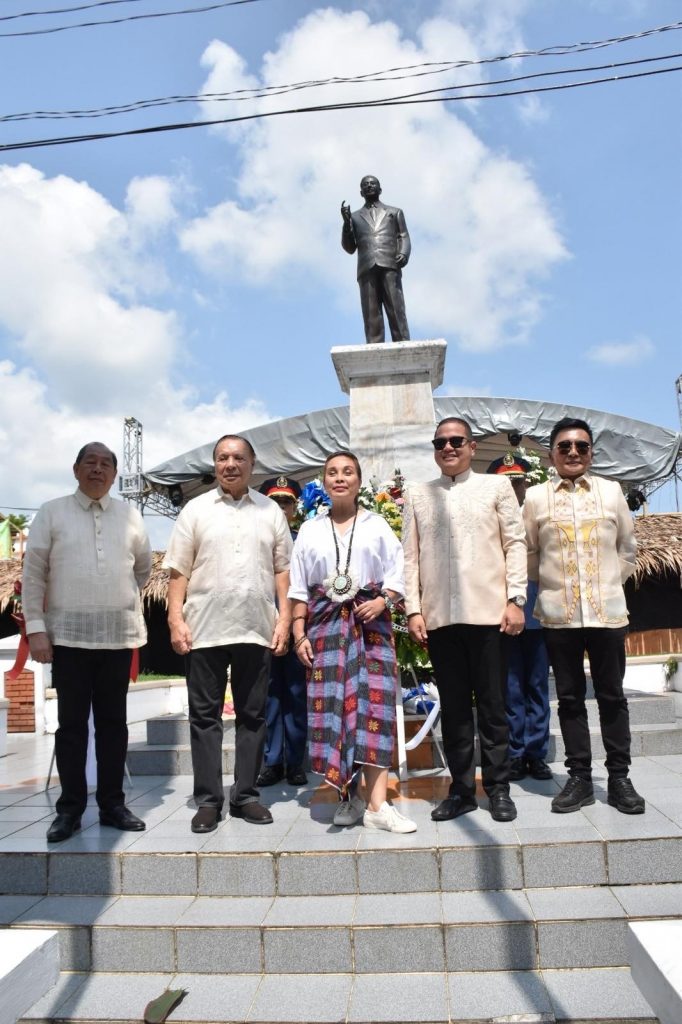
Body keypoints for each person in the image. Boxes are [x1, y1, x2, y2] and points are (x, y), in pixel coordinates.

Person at [23, 442, 151, 842]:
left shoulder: (130, 515)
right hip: (68, 639)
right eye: (90, 463)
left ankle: (113, 804)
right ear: (76, 469)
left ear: (115, 474)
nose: (98, 470)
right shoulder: (51, 512)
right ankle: (70, 809)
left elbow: (143, 570)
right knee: (71, 727)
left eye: (106, 464)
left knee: (114, 725)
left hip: (116, 637)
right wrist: (36, 628)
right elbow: (33, 575)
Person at [164, 435, 292, 832]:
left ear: (253, 464)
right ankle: (208, 800)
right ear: (215, 465)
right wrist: (174, 619)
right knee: (205, 717)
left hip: (256, 627)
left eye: (239, 458)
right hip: (204, 628)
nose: (230, 464)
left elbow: (283, 570)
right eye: (223, 458)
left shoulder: (271, 511)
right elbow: (177, 571)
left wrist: (284, 618)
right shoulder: (195, 510)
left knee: (253, 717)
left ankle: (246, 796)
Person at [402, 417, 527, 823]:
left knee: (492, 707)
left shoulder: (495, 487)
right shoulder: (418, 493)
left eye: (456, 441)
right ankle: (460, 790)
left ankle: (499, 788)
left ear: (472, 446)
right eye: (440, 442)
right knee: (454, 709)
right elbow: (410, 557)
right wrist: (414, 609)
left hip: (489, 614)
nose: (448, 448)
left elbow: (515, 543)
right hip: (440, 617)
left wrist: (515, 599)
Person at [289, 451, 416, 833]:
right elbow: (298, 587)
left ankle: (378, 805)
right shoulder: (310, 529)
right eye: (332, 473)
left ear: (359, 481)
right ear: (324, 483)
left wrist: (383, 601)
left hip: (370, 625)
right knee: (334, 710)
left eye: (347, 472)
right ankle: (348, 797)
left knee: (373, 709)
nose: (340, 478)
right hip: (324, 627)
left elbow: (399, 571)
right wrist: (298, 634)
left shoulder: (377, 525)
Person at [524, 417, 645, 814]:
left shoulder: (612, 493)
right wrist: (556, 588)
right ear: (551, 454)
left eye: (581, 446)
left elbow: (628, 549)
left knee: (612, 697)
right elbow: (529, 554)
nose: (573, 453)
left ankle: (619, 778)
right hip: (559, 616)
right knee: (571, 700)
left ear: (591, 452)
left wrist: (607, 583)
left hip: (607, 614)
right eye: (564, 447)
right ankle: (579, 778)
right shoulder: (537, 499)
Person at [487, 454, 552, 782]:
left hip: (538, 614)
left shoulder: (539, 514)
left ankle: (536, 753)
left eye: (519, 480)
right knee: (511, 689)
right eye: (508, 481)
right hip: (502, 615)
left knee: (537, 686)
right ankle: (515, 753)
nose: (515, 486)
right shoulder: (489, 516)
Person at [256, 476, 308, 788]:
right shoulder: (256, 539)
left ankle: (296, 762)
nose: (281, 507)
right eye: (275, 501)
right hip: (263, 627)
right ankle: (272, 761)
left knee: (297, 695)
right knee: (268, 697)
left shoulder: (304, 539)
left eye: (286, 501)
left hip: (299, 627)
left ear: (294, 506)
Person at [341, 174, 411, 345]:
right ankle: (374, 345)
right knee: (371, 311)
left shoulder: (394, 212)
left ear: (380, 188)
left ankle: (402, 341)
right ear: (361, 192)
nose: (369, 186)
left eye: (373, 183)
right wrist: (346, 224)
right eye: (365, 185)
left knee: (395, 306)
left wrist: (403, 252)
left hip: (389, 263)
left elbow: (403, 236)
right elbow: (350, 248)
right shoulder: (355, 217)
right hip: (366, 266)